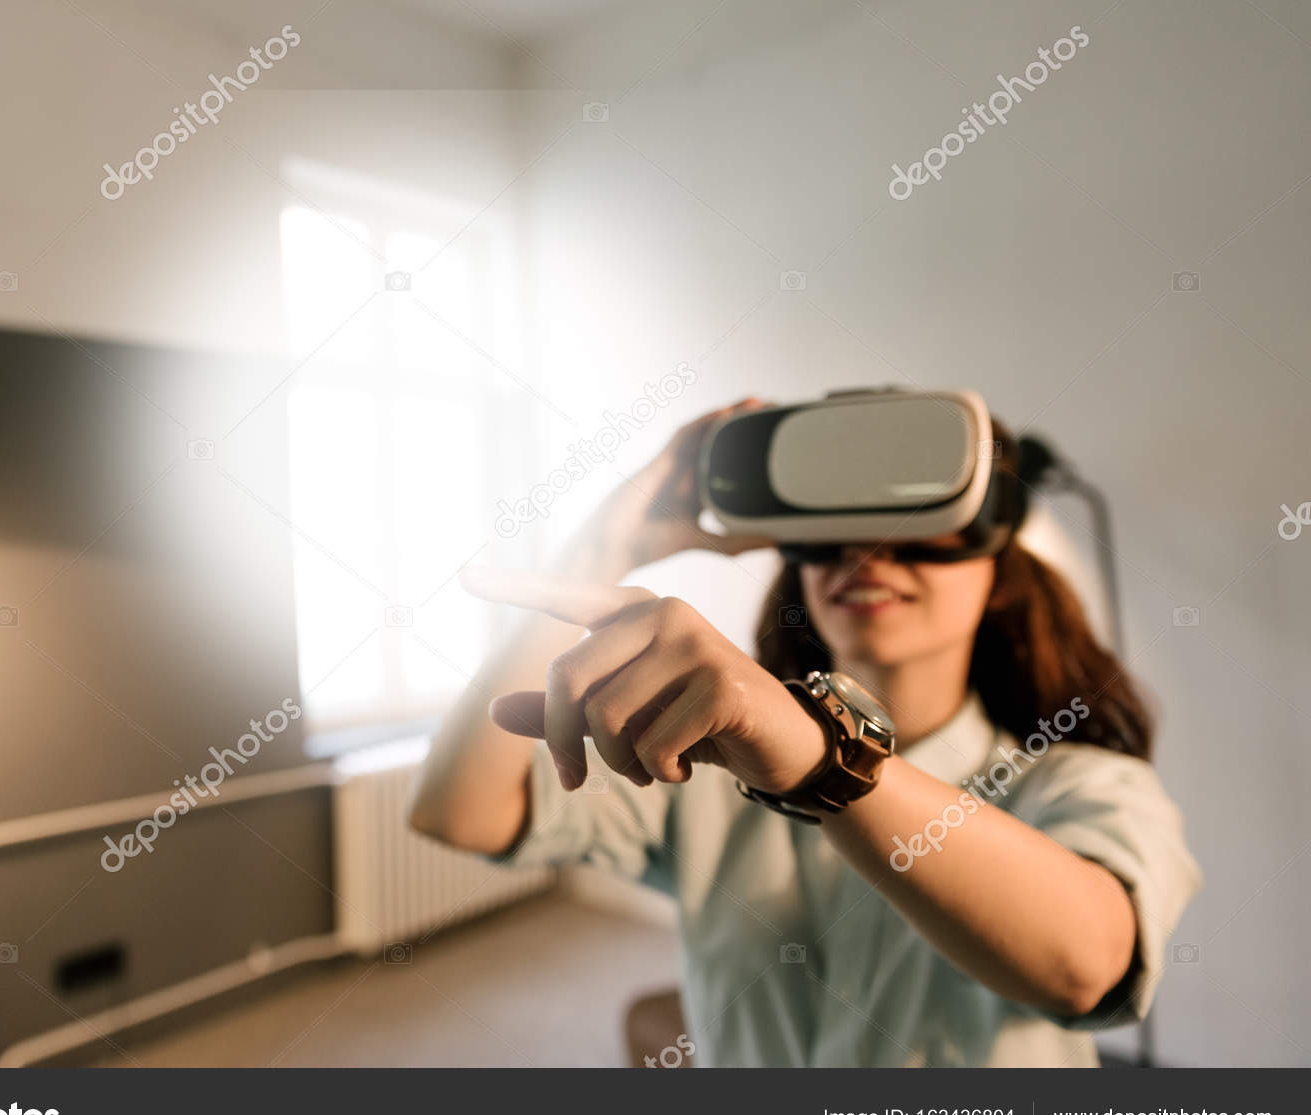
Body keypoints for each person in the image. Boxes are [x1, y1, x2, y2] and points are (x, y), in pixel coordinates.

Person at [409, 397, 1201, 1067]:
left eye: (917, 521)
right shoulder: (714, 770)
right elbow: (458, 810)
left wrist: (824, 763)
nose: (867, 552)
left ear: (996, 567)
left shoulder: (1076, 783)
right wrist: (604, 551)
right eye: (830, 532)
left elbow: (1084, 969)